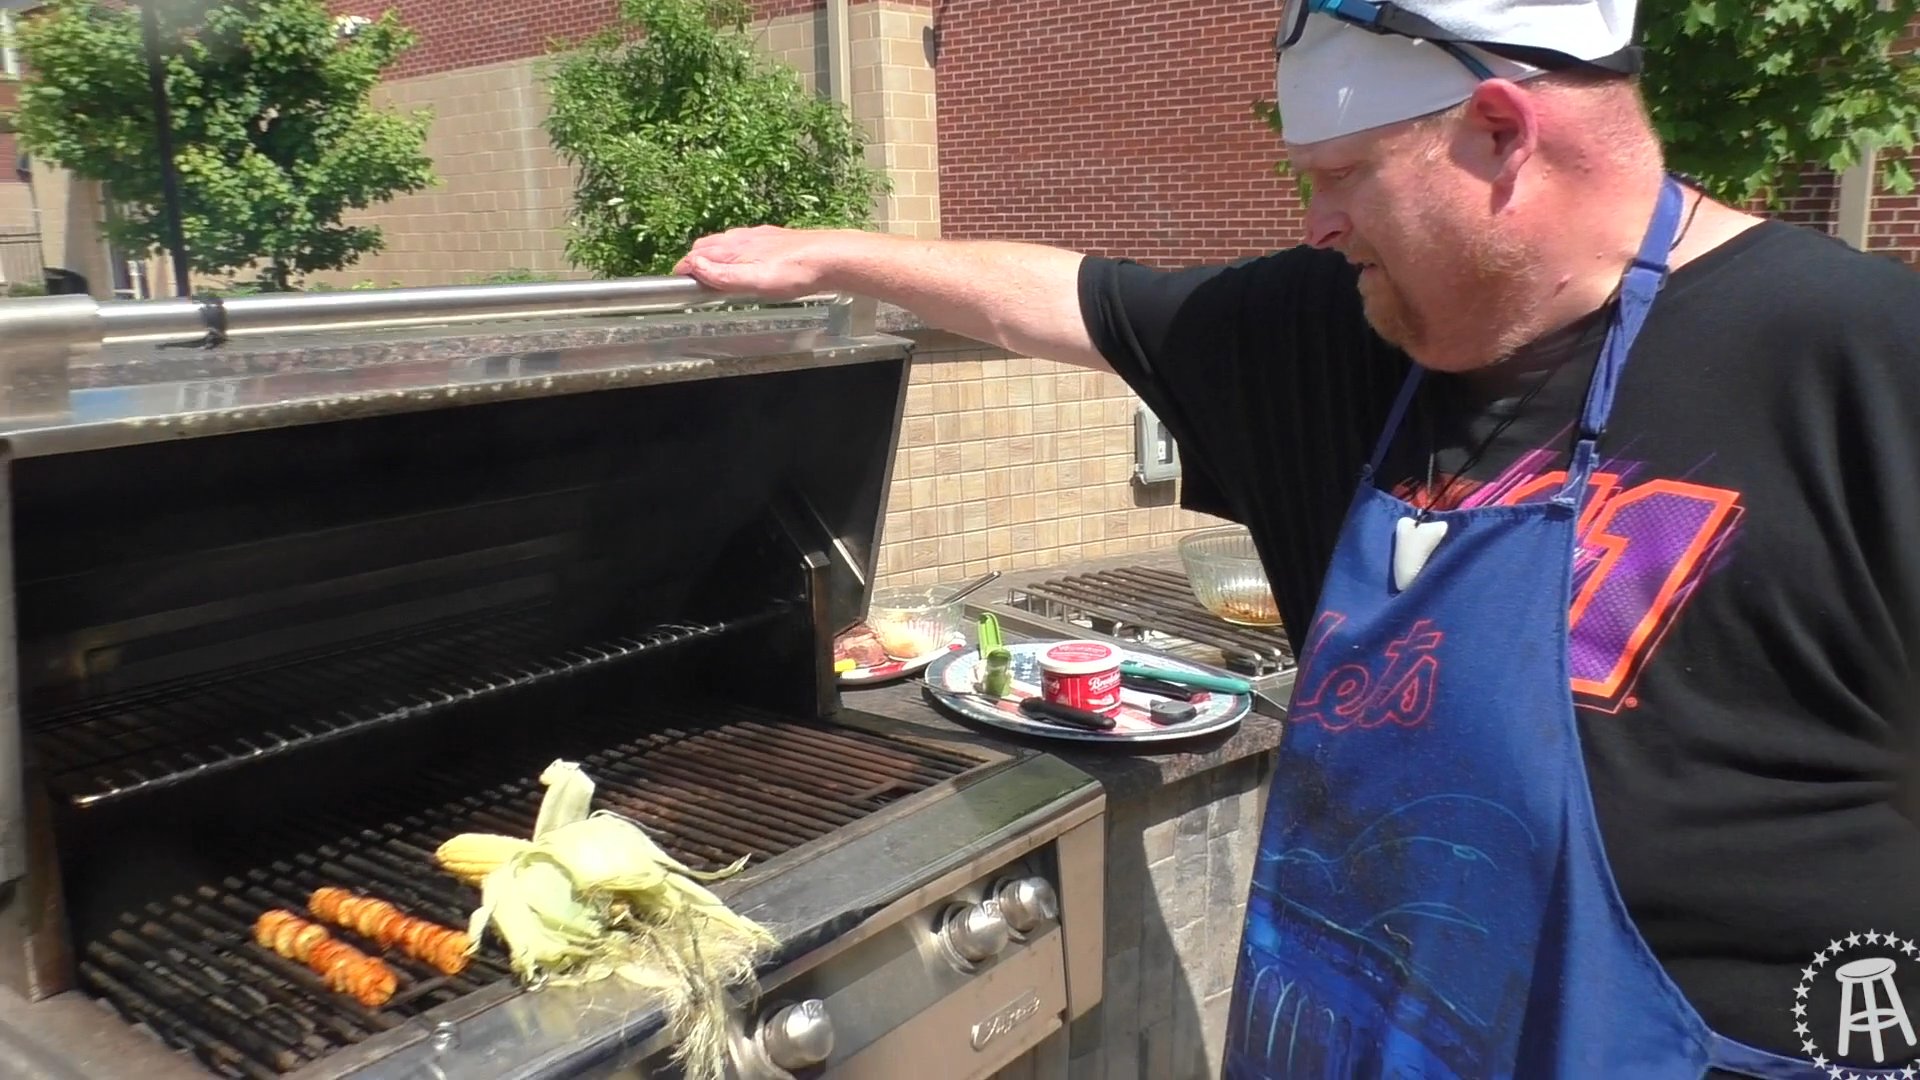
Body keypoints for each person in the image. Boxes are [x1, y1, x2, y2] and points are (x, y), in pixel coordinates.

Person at [676, 0, 1920, 1075]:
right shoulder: (1338, 336)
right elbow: (1080, 298)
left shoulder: (1858, 361)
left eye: (1340, 174)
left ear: (1500, 131)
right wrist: (834, 255)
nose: (1315, 222)